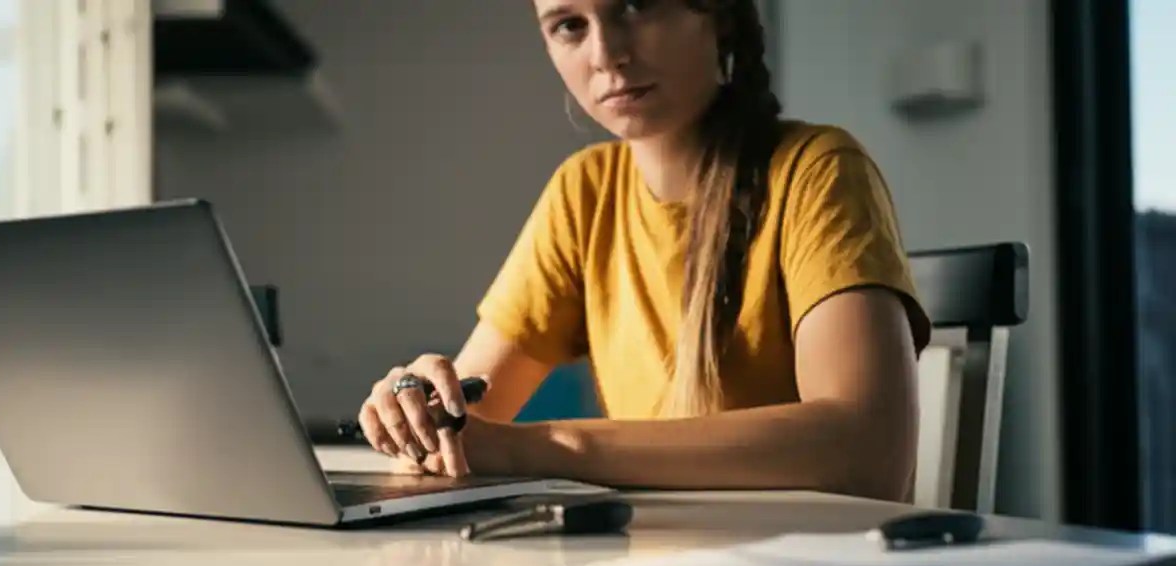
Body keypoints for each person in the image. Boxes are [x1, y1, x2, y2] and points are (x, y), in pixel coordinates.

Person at [356, 0, 931, 501]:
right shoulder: (584, 192)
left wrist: (555, 444)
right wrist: (421, 413)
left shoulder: (817, 170)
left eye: (637, 4)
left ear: (719, 11)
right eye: (568, 26)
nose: (606, 54)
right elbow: (469, 424)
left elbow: (867, 455)